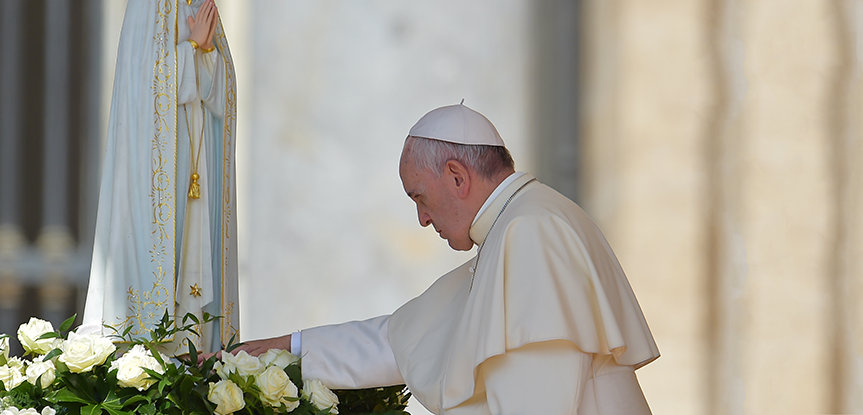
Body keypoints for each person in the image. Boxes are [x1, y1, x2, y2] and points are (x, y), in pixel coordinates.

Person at [237, 104, 660, 414]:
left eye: (420, 197)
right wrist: (285, 350)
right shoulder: (522, 222)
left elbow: (539, 396)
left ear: (457, 177)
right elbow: (404, 338)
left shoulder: (530, 232)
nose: (422, 218)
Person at [83, 0, 251, 352]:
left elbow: (223, 90)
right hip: (159, 157)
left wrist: (204, 54)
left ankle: (196, 341)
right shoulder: (144, 3)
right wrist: (190, 51)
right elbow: (144, 86)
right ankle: (152, 342)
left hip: (198, 146)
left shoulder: (206, 9)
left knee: (198, 242)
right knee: (164, 246)